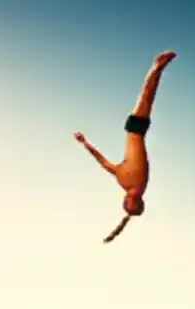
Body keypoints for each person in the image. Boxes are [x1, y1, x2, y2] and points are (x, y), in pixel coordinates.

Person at [74, 50, 177, 243]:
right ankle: (158, 67)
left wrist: (85, 143)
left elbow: (101, 161)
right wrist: (125, 222)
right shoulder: (138, 186)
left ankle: (158, 66)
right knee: (147, 97)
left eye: (132, 200)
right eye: (137, 200)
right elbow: (133, 204)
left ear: (127, 200)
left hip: (134, 129)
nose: (135, 197)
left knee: (146, 97)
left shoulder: (124, 181)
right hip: (137, 131)